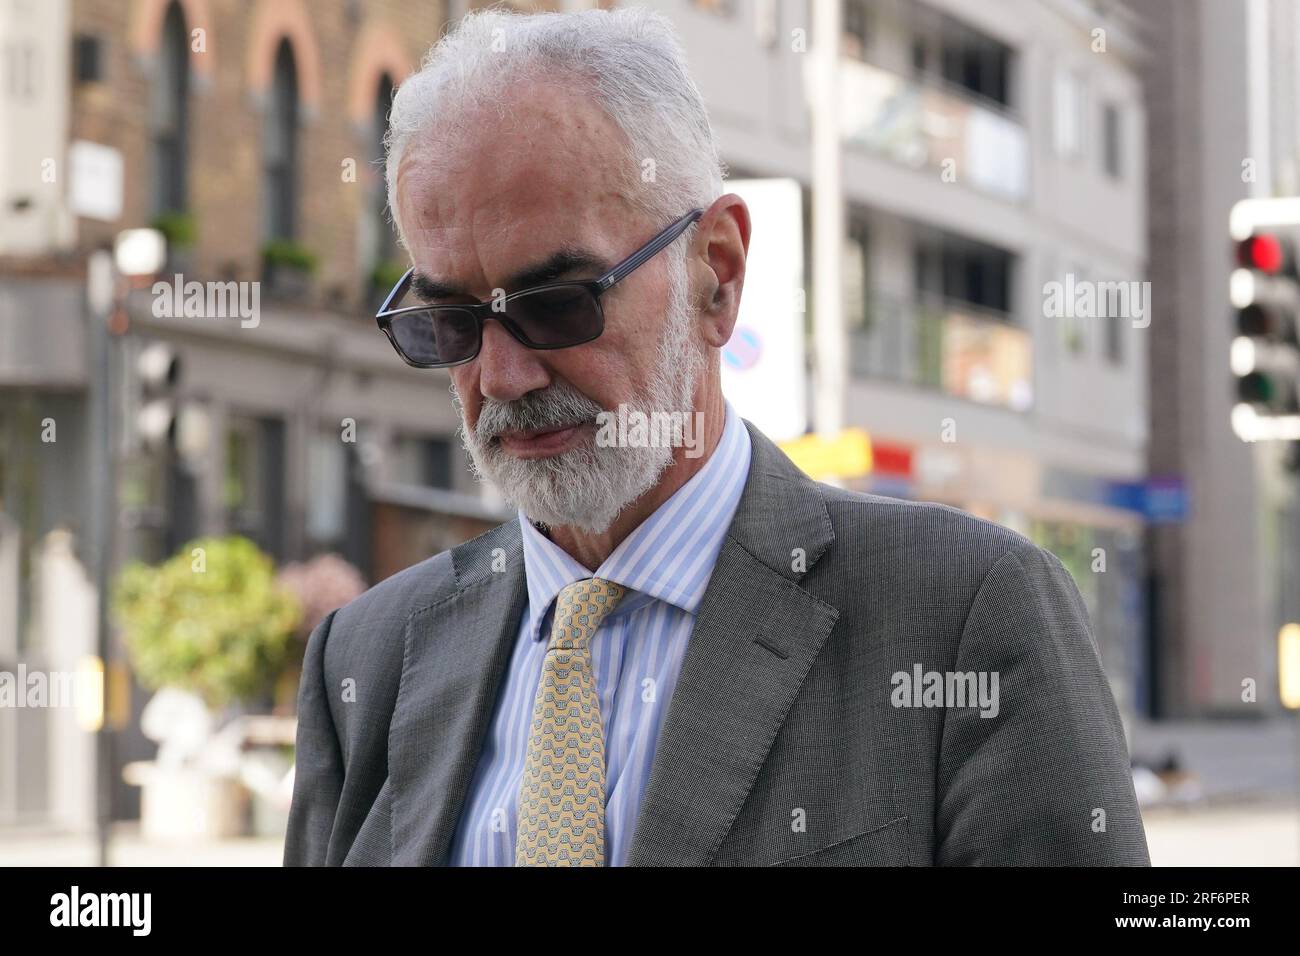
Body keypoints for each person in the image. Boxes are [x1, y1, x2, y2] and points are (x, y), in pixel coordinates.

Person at [284, 7, 1149, 867]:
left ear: (717, 273)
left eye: (558, 304)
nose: (504, 377)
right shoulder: (368, 661)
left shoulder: (963, 612)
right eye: (451, 321)